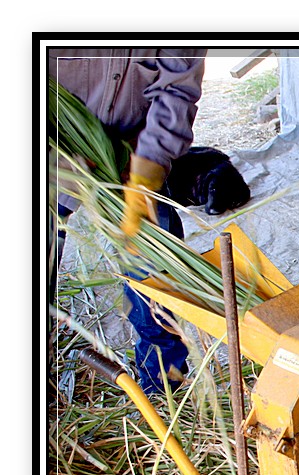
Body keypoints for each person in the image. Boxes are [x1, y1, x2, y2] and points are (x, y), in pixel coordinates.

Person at [50, 49, 207, 394]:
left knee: (156, 282)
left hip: (135, 160)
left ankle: (162, 391)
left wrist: (150, 164)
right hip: (55, 158)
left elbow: (177, 88)